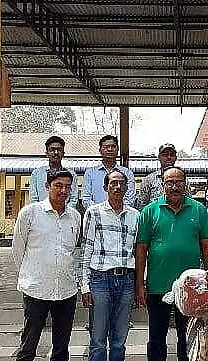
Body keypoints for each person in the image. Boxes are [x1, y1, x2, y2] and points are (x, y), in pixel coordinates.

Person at [136, 166, 208, 361]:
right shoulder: (149, 211)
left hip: (191, 287)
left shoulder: (199, 210)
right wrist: (140, 285)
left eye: (178, 182)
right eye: (170, 182)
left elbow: (206, 247)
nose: (174, 186)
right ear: (163, 185)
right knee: (156, 337)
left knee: (187, 337)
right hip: (157, 286)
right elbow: (141, 249)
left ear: (185, 185)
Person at [12, 169, 82, 361]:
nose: (63, 191)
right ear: (47, 186)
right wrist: (30, 275)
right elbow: (18, 250)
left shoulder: (75, 217)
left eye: (68, 187)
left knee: (61, 346)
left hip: (66, 290)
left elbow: (72, 251)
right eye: (58, 185)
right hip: (37, 289)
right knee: (29, 344)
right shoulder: (30, 213)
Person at [81, 169, 139, 361]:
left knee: (119, 339)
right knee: (98, 339)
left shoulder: (135, 216)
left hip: (127, 281)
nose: (118, 186)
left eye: (122, 183)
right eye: (113, 183)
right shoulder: (94, 212)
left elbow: (138, 252)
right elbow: (86, 249)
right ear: (105, 187)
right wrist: (84, 285)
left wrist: (140, 283)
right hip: (100, 280)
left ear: (127, 187)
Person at [83, 135, 136, 209]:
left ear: (117, 150)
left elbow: (130, 199)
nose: (110, 149)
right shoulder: (90, 173)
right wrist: (101, 212)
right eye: (106, 147)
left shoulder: (127, 173)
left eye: (113, 146)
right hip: (97, 215)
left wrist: (117, 211)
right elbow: (86, 199)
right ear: (100, 151)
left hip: (121, 215)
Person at [28, 135, 78, 209]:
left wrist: (63, 212)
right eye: (52, 150)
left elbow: (73, 199)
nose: (56, 152)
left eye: (59, 150)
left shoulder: (71, 174)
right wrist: (42, 213)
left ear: (63, 153)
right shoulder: (36, 173)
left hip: (64, 216)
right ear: (47, 153)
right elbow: (33, 199)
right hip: (41, 216)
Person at [135, 143, 178, 210]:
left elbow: (188, 202)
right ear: (159, 157)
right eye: (165, 155)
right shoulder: (149, 179)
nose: (169, 157)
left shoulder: (183, 180)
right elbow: (141, 205)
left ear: (176, 158)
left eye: (172, 155)